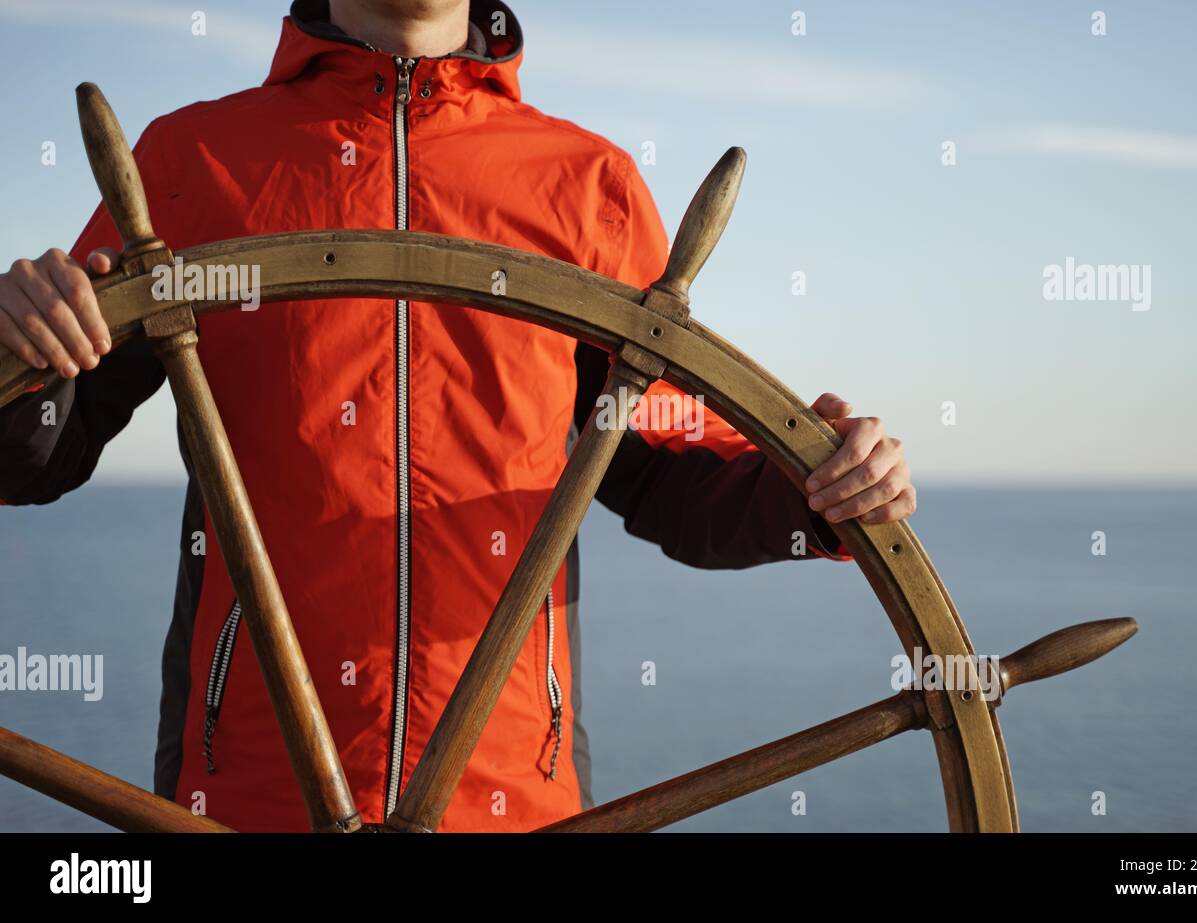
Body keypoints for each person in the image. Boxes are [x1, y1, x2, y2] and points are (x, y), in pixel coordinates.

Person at [0, 0, 916, 831]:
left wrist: (814, 486)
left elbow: (663, 464)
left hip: (516, 802)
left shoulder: (585, 182)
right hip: (248, 804)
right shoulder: (191, 159)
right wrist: (19, 344)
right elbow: (40, 451)